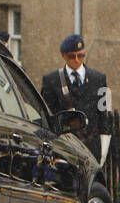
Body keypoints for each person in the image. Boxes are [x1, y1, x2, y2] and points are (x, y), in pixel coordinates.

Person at [41, 34, 111, 163]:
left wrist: (104, 148)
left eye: (81, 55)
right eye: (71, 56)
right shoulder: (51, 80)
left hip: (91, 145)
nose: (77, 60)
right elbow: (48, 115)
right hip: (64, 145)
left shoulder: (99, 79)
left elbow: (103, 113)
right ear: (63, 55)